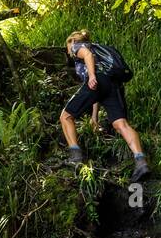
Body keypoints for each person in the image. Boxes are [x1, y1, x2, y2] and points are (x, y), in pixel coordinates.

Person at [59, 30, 150, 182]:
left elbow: (87, 58)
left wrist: (93, 76)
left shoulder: (78, 46)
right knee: (121, 124)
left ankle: (75, 157)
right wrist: (94, 117)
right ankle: (141, 162)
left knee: (65, 117)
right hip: (112, 84)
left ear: (73, 42)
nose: (69, 53)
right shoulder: (98, 52)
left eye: (68, 48)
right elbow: (98, 93)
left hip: (99, 79)